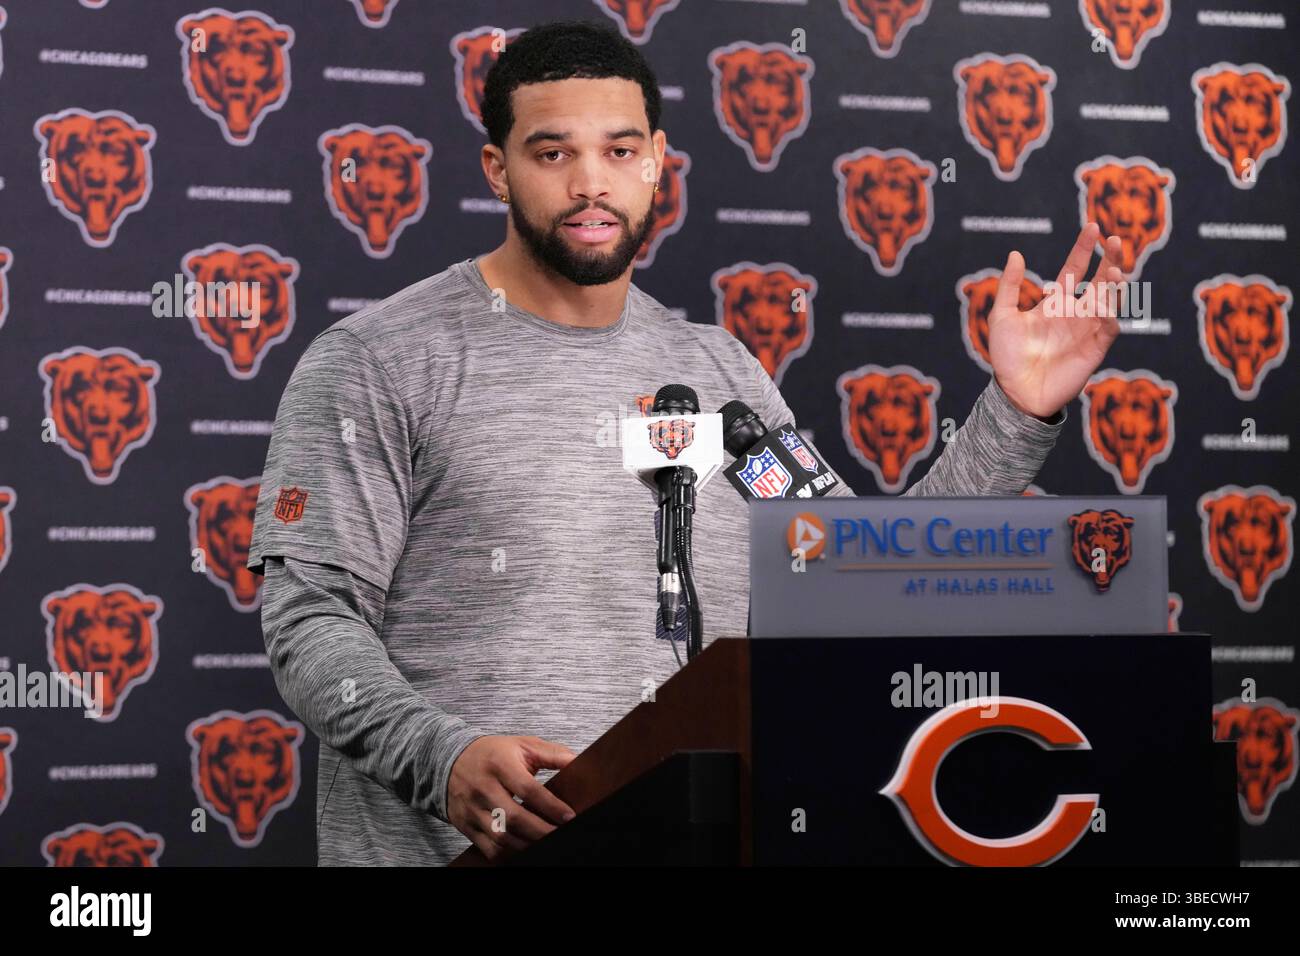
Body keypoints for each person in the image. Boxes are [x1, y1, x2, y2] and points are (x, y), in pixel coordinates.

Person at [247, 19, 1126, 865]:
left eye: (621, 150)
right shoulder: (376, 362)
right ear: (498, 169)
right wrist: (440, 759)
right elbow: (310, 618)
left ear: (657, 163)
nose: (591, 182)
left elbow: (857, 579)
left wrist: (1015, 405)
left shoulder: (721, 374)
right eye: (553, 152)